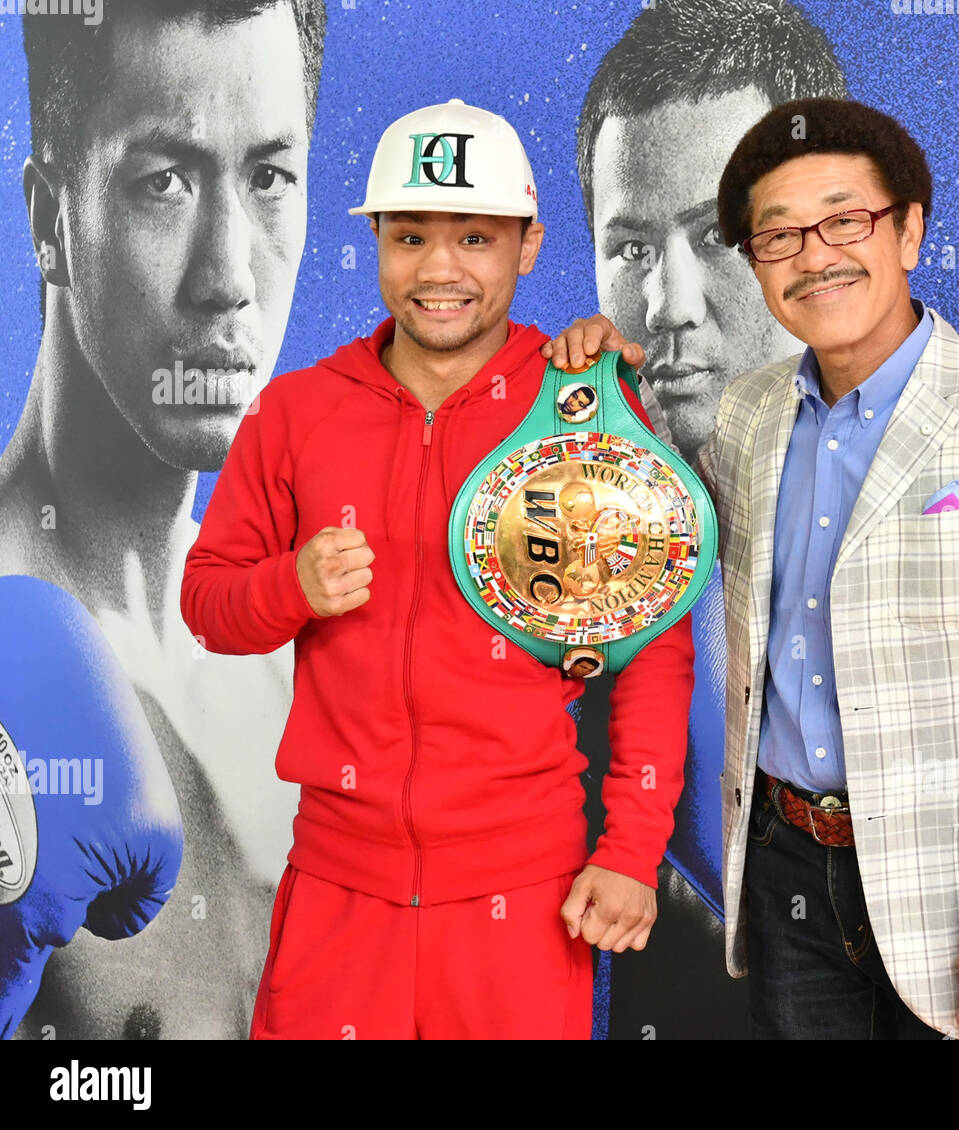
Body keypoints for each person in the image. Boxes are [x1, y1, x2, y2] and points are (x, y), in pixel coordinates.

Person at [549, 96, 959, 1039]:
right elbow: (650, 545)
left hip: (954, 889)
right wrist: (596, 395)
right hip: (783, 874)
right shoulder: (749, 415)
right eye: (778, 236)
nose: (815, 256)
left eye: (844, 220)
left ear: (910, 231)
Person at [180, 99, 694, 1040]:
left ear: (528, 246)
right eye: (410, 235)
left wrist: (629, 851)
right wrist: (287, 587)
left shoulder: (588, 410)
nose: (440, 270)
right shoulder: (295, 413)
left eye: (475, 238)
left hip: (522, 897)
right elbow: (210, 603)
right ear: (375, 239)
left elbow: (653, 649)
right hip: (339, 887)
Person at [0, 0, 326, 1039]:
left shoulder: (308, 645)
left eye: (269, 176)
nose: (227, 278)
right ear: (52, 218)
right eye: (164, 183)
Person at [569, 0, 847, 1038]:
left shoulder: (955, 517)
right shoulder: (547, 587)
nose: (671, 303)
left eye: (717, 236)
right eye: (632, 249)